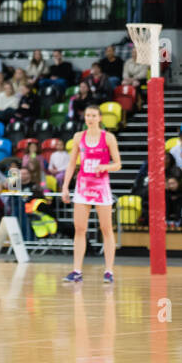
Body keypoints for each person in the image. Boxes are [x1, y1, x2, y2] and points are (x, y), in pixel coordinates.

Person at [61, 105, 121, 283]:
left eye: (94, 115)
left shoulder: (108, 137)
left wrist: (105, 167)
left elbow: (118, 164)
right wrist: (65, 186)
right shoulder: (79, 137)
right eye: (87, 115)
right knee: (79, 229)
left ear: (100, 118)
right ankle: (76, 271)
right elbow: (72, 163)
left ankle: (109, 271)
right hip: (83, 187)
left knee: (106, 229)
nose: (90, 118)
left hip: (101, 187)